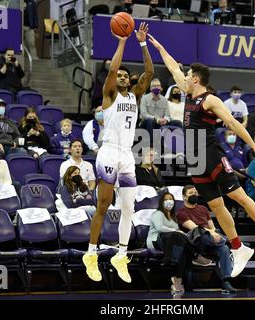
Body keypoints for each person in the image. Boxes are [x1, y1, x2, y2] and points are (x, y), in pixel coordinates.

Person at [148, 34, 255, 278]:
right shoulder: (187, 93)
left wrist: (254, 146)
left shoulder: (209, 99)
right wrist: (157, 45)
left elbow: (232, 122)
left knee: (238, 196)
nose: (185, 77)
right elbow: (171, 65)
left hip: (212, 154)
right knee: (216, 206)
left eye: (188, 75)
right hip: (195, 160)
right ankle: (238, 247)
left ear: (196, 79)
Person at [82, 22, 154, 283]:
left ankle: (121, 255)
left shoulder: (135, 96)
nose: (122, 76)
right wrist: (123, 41)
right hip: (109, 152)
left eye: (126, 75)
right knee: (103, 205)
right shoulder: (109, 95)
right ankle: (90, 253)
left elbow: (149, 71)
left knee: (128, 208)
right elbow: (112, 68)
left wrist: (143, 43)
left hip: (126, 155)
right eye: (120, 75)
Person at [177, 185, 236, 293]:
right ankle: (228, 241)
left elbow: (212, 226)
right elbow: (194, 227)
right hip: (195, 242)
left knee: (224, 249)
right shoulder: (181, 212)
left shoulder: (203, 209)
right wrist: (212, 234)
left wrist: (213, 233)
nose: (194, 195)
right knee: (202, 233)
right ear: (184, 197)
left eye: (195, 193)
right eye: (190, 193)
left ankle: (226, 282)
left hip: (211, 242)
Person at [146, 191, 194, 294]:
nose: (169, 201)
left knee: (181, 247)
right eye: (166, 199)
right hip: (155, 241)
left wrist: (177, 232)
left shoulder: (173, 217)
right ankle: (195, 255)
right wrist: (175, 231)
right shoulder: (157, 213)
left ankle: (177, 280)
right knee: (177, 235)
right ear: (161, 202)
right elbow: (160, 228)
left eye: (171, 199)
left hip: (169, 242)